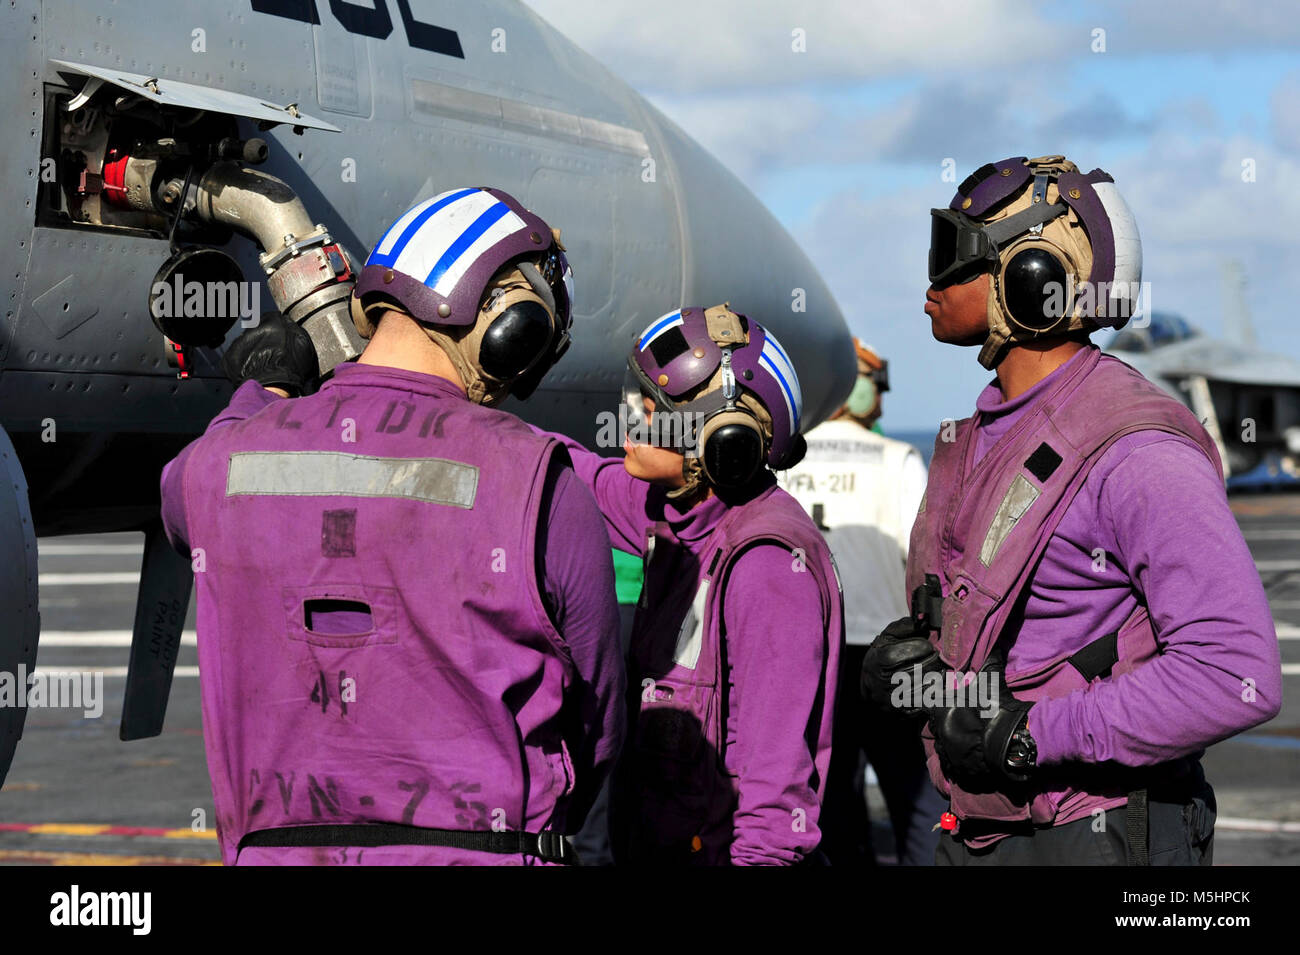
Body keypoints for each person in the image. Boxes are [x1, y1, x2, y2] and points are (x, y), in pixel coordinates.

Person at [160, 186, 624, 865]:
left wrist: (263, 393)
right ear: (506, 322)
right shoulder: (543, 484)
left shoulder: (222, 464)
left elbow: (184, 485)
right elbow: (597, 729)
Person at [861, 155, 1282, 865]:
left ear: (1031, 277)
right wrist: (922, 671)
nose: (930, 284)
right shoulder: (984, 435)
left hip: (1099, 832)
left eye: (950, 255)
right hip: (983, 827)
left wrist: (1033, 735)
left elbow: (1233, 672)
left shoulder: (1137, 450)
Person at [540, 303, 843, 865]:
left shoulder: (769, 563)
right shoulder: (672, 509)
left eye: (649, 410)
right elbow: (572, 470)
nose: (627, 420)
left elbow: (775, 789)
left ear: (720, 438)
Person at [782, 339, 945, 865]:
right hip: (888, 653)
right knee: (915, 795)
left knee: (828, 795)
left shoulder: (785, 456)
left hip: (809, 658)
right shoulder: (896, 459)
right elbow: (924, 559)